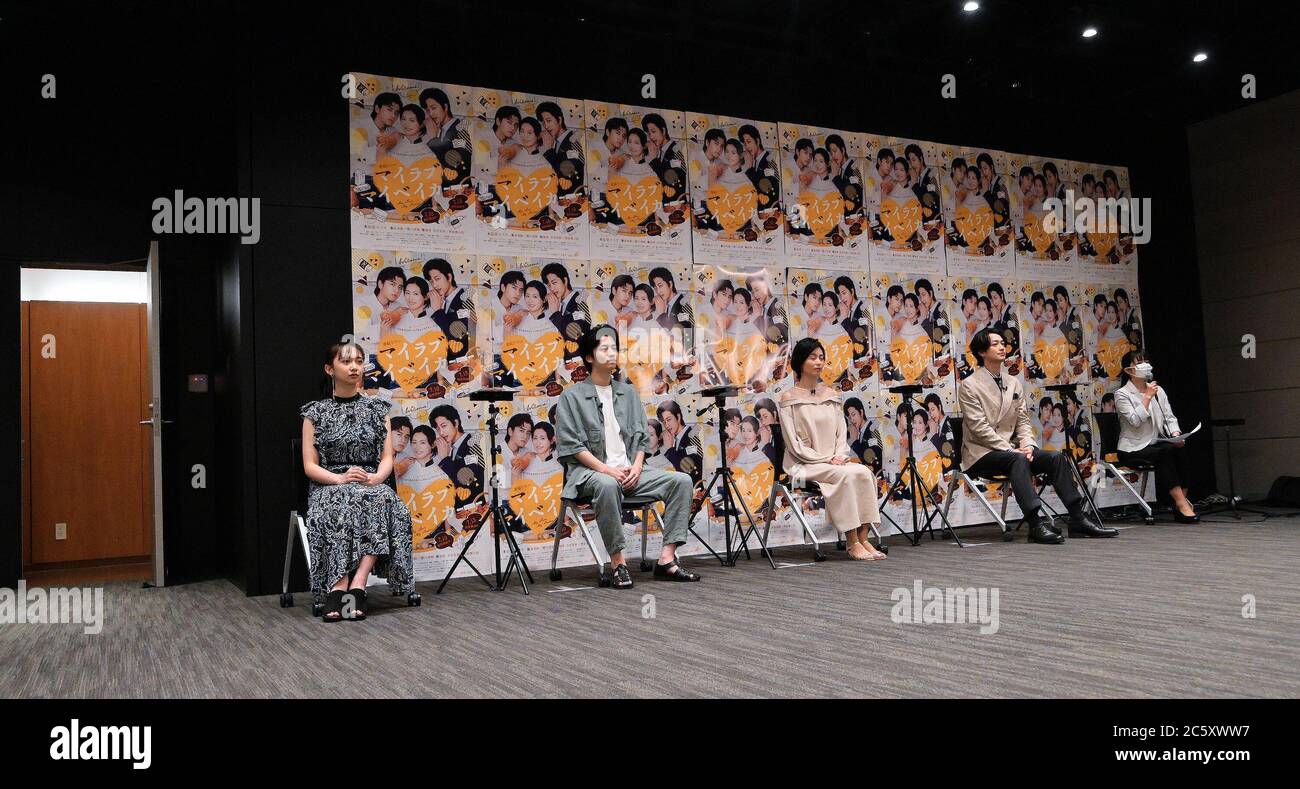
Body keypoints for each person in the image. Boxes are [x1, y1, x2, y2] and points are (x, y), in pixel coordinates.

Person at [555, 325, 701, 588]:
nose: (612, 353)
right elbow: (571, 446)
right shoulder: (571, 396)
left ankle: (667, 559)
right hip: (591, 475)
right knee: (608, 483)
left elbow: (642, 439)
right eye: (604, 348)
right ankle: (618, 563)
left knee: (681, 481)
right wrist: (606, 470)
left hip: (631, 471)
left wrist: (636, 466)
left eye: (615, 348)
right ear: (589, 357)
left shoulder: (628, 393)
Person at [958, 328, 1117, 543]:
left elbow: (1023, 421)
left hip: (1013, 452)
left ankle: (1078, 518)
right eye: (995, 344)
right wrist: (1011, 449)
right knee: (1018, 458)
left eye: (1002, 343)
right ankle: (1035, 523)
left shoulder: (1013, 382)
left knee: (1055, 458)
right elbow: (978, 428)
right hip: (981, 454)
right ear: (981, 352)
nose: (1002, 346)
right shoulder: (969, 385)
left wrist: (1028, 445)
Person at [300, 341, 414, 621]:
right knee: (343, 501)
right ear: (330, 369)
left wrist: (377, 477)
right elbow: (309, 466)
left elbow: (387, 457)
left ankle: (358, 584)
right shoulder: (315, 413)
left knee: (382, 500)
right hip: (330, 484)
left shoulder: (378, 410)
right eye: (346, 361)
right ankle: (338, 586)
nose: (354, 367)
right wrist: (339, 478)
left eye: (359, 361)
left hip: (370, 482)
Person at [778, 338, 886, 560]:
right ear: (799, 362)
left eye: (821, 357)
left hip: (834, 461)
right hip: (803, 466)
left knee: (864, 473)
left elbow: (841, 434)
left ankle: (864, 537)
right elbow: (794, 445)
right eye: (812, 357)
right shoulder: (789, 399)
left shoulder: (831, 395)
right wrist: (827, 459)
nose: (818, 362)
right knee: (845, 476)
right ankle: (851, 541)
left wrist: (838, 455)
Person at [1114, 355, 1199, 523]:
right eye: (1139, 363)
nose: (1145, 365)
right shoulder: (1122, 394)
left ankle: (1182, 500)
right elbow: (1135, 421)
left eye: (1146, 362)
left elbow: (1170, 417)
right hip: (1132, 448)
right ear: (1129, 370)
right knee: (1165, 452)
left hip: (1155, 444)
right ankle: (1181, 504)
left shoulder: (1158, 390)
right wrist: (1147, 397)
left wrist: (1176, 435)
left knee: (1179, 448)